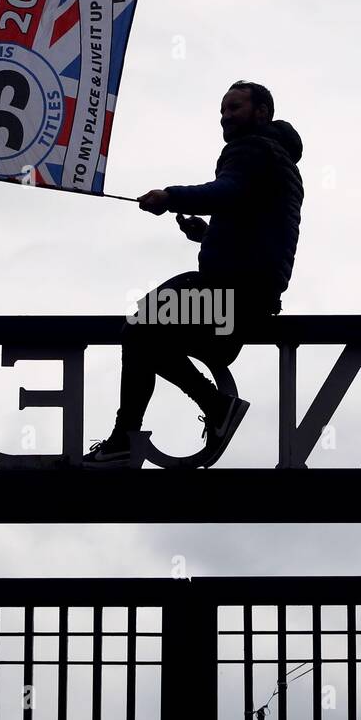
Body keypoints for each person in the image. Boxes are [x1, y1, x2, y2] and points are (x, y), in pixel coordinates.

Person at [83, 80, 304, 469]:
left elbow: (228, 191)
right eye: (222, 110)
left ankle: (196, 414)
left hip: (230, 293)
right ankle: (186, 417)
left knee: (139, 328)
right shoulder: (280, 162)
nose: (225, 117)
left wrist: (171, 197)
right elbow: (257, 228)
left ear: (262, 112)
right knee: (147, 338)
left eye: (235, 107)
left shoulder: (251, 149)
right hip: (253, 301)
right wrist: (207, 234)